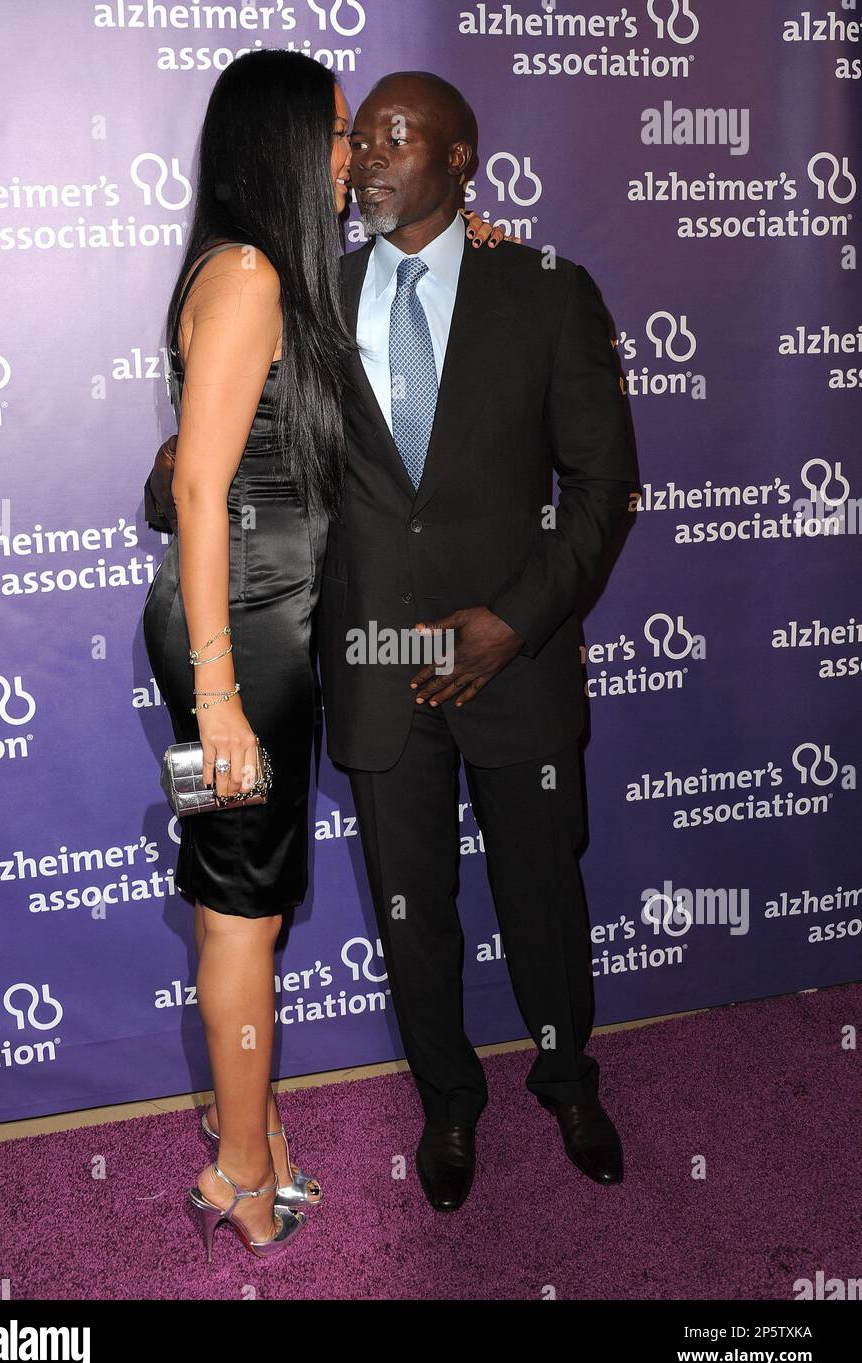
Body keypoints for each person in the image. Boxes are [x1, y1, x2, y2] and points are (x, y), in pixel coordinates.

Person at [141, 52, 504, 1260]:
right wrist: (217, 692)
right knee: (240, 912)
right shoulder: (245, 274)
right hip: (238, 635)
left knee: (242, 901)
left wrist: (463, 246)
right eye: (338, 133)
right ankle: (239, 1174)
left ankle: (259, 1135)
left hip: (266, 628)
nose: (351, 156)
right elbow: (197, 488)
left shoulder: (262, 268)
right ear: (282, 141)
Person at [316, 71, 640, 1212]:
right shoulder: (316, 294)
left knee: (542, 895)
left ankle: (566, 1078)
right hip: (372, 671)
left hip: (519, 658)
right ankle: (446, 1101)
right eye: (360, 140)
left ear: (463, 161)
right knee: (412, 912)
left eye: (397, 139)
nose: (367, 158)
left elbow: (604, 486)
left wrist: (512, 622)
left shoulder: (546, 292)